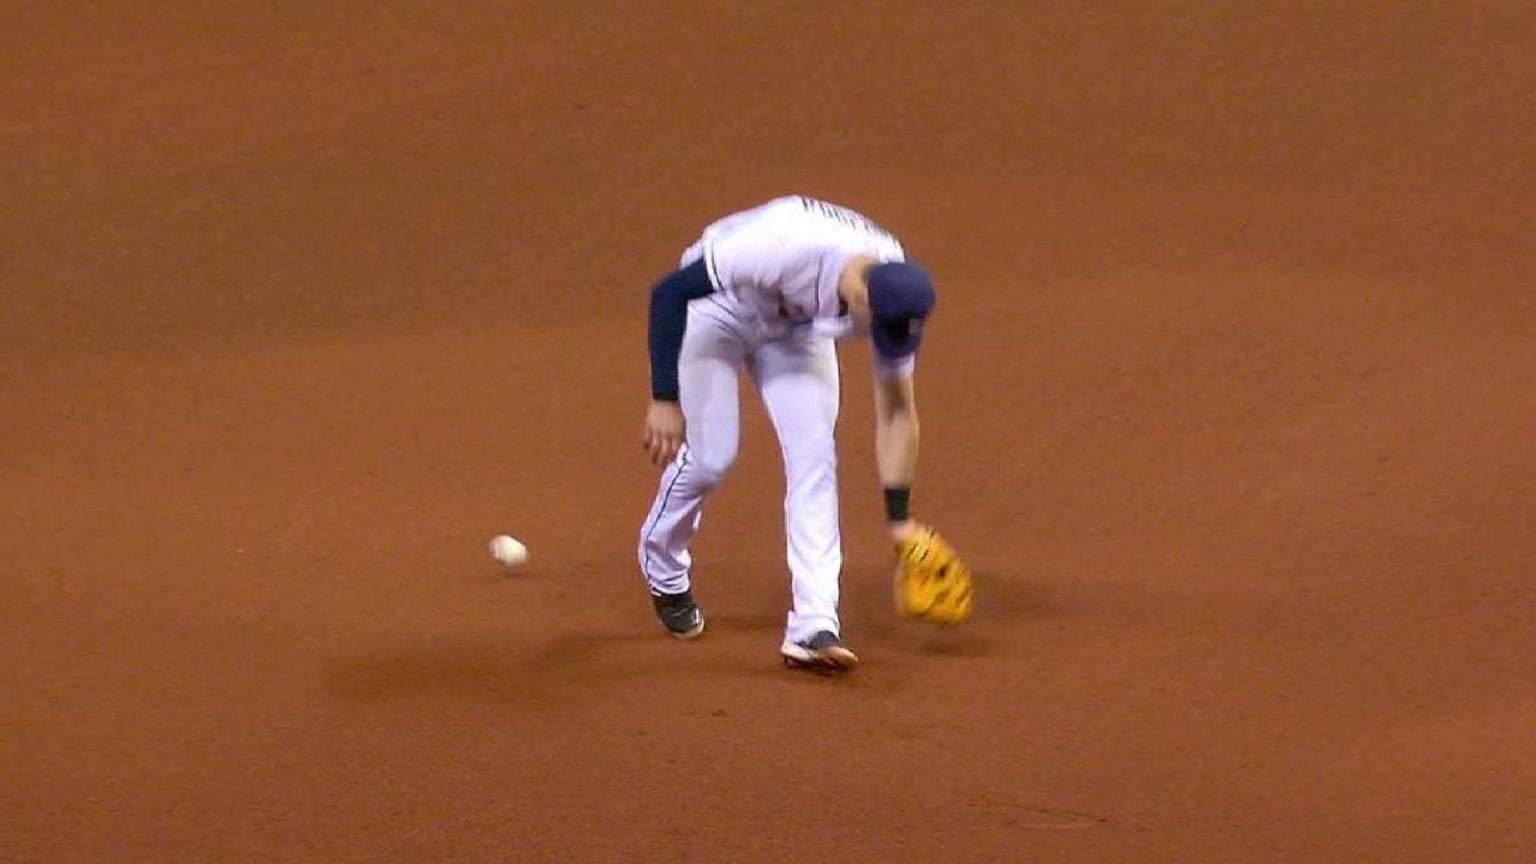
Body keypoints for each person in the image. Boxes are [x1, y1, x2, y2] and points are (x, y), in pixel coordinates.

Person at [636, 194, 937, 672]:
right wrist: (664, 399)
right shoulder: (784, 242)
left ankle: (814, 626)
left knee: (816, 456)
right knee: (711, 459)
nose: (879, 339)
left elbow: (898, 412)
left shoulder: (897, 295)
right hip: (721, 307)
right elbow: (669, 293)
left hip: (796, 332)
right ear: (859, 296)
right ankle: (664, 569)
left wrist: (900, 520)